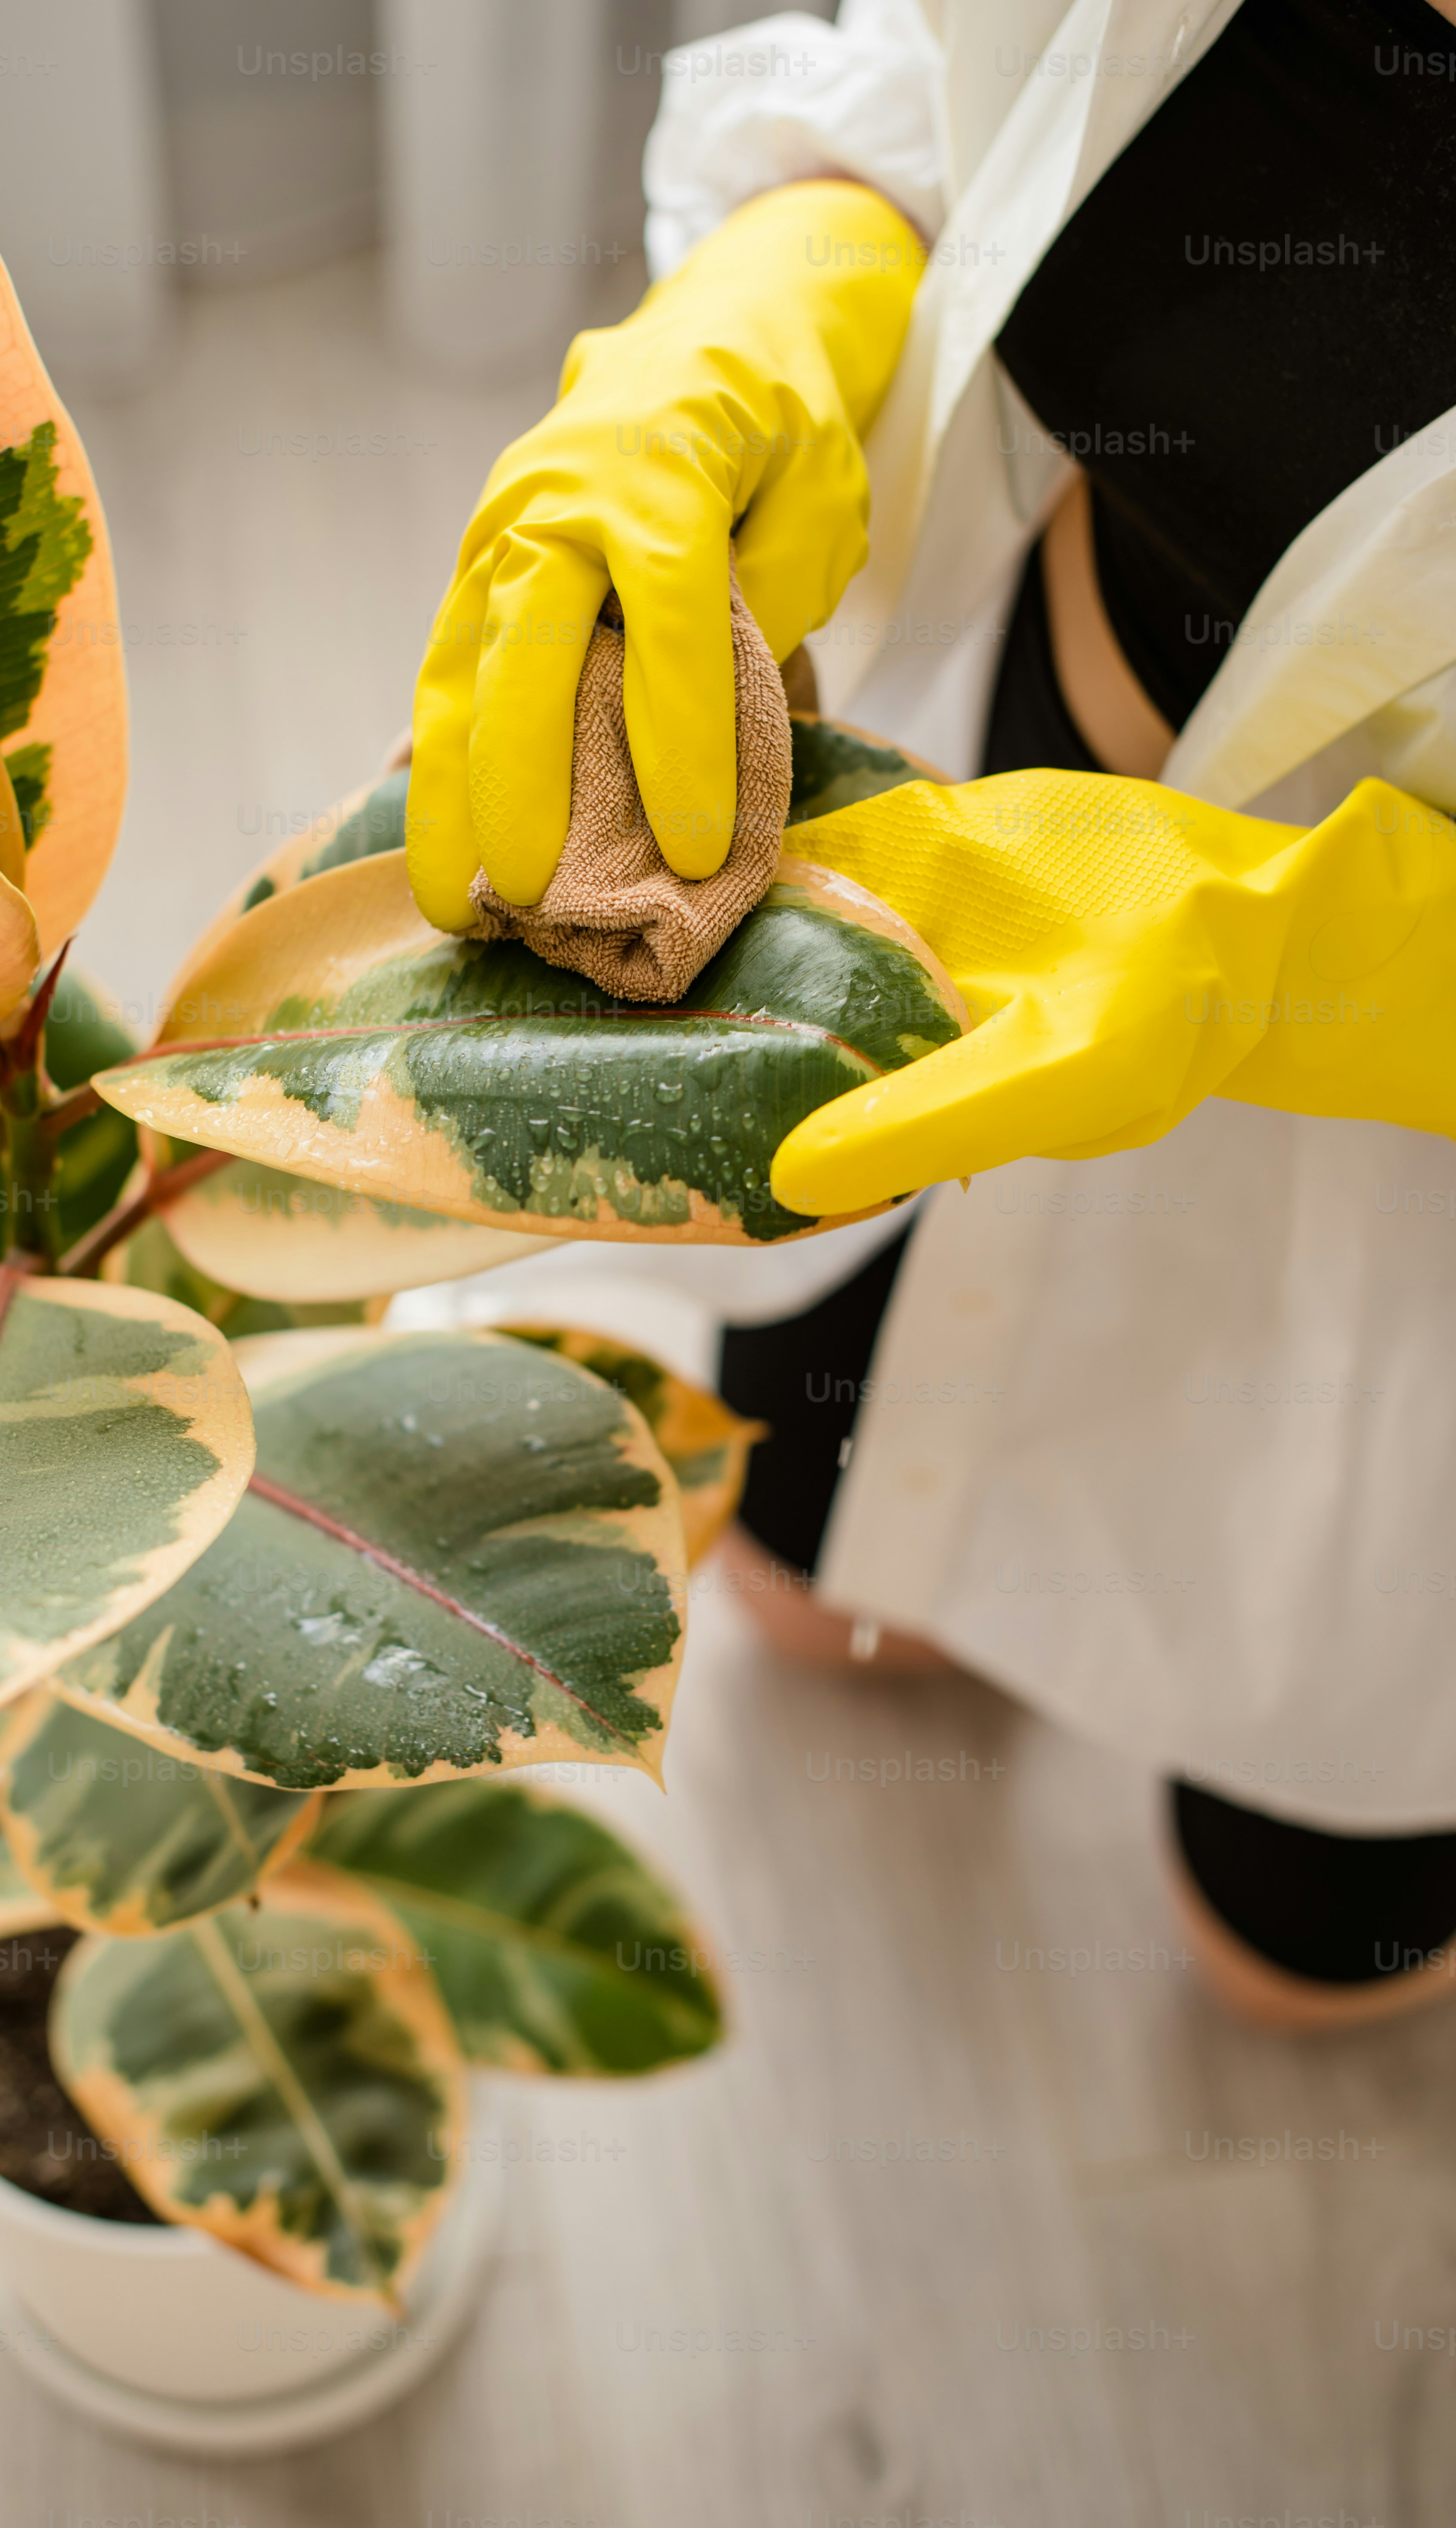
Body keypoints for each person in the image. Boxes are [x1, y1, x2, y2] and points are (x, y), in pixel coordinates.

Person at [404, 0, 1456, 2035]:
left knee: (1294, 1940)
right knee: (811, 1600)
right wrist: (796, 275)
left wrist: (1322, 959)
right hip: (1000, 811)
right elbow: (974, 77)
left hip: (1405, 1189)